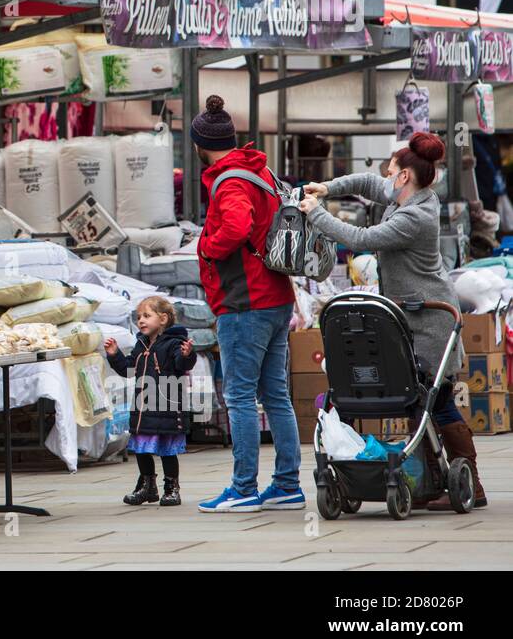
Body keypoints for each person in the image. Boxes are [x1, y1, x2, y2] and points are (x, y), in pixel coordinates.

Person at [299, 131, 485, 509]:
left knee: (438, 400)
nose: (385, 174)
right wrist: (328, 187)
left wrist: (316, 213)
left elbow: (363, 238)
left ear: (404, 177)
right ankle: (432, 481)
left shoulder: (414, 216)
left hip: (431, 320)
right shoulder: (406, 195)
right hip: (408, 314)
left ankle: (472, 485)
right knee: (418, 401)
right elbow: (368, 183)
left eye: (391, 170)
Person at [192, 95, 304, 513]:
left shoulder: (230, 180)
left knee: (239, 396)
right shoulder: (259, 170)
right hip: (276, 298)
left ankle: (242, 490)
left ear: (200, 144)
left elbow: (237, 226)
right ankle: (287, 485)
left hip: (245, 302)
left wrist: (207, 248)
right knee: (276, 395)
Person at [104, 296, 196, 506]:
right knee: (141, 447)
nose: (141, 321)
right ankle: (147, 486)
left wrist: (187, 355)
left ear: (163, 319)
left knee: (167, 450)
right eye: (138, 317)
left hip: (167, 408)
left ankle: (171, 487)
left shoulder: (174, 344)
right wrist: (114, 355)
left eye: (147, 316)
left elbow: (182, 364)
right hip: (143, 408)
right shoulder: (141, 344)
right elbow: (128, 369)